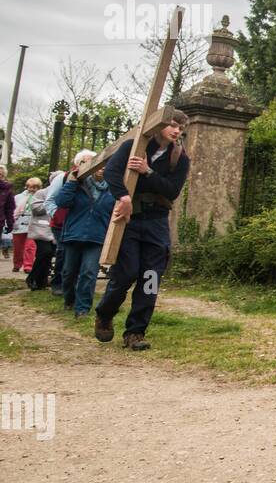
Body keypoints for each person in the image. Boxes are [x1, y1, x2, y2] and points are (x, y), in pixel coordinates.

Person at [93, 111, 190, 349]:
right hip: (130, 219)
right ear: (159, 124)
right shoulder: (133, 146)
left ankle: (135, 332)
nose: (176, 131)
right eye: (172, 125)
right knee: (125, 274)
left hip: (156, 222)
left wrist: (148, 171)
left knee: (150, 278)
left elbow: (172, 190)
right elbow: (113, 172)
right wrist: (123, 197)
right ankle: (105, 314)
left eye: (181, 128)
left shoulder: (180, 158)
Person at [49, 150, 113, 319]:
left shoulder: (113, 187)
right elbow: (61, 202)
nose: (100, 168)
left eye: (102, 165)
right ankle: (69, 300)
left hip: (97, 236)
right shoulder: (76, 184)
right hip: (73, 235)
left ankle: (83, 308)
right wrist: (71, 182)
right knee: (69, 272)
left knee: (89, 272)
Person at [25, 171, 64, 291]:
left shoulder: (66, 192)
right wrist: (53, 203)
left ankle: (41, 281)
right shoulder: (42, 193)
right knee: (45, 252)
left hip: (57, 230)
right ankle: (32, 277)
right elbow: (35, 208)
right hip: (41, 230)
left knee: (49, 255)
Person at [11, 177, 41, 272]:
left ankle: (28, 265)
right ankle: (17, 264)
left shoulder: (40, 197)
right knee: (18, 247)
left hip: (33, 225)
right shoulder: (18, 197)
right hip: (18, 224)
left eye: (35, 187)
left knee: (30, 246)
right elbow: (13, 209)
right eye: (30, 187)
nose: (32, 189)